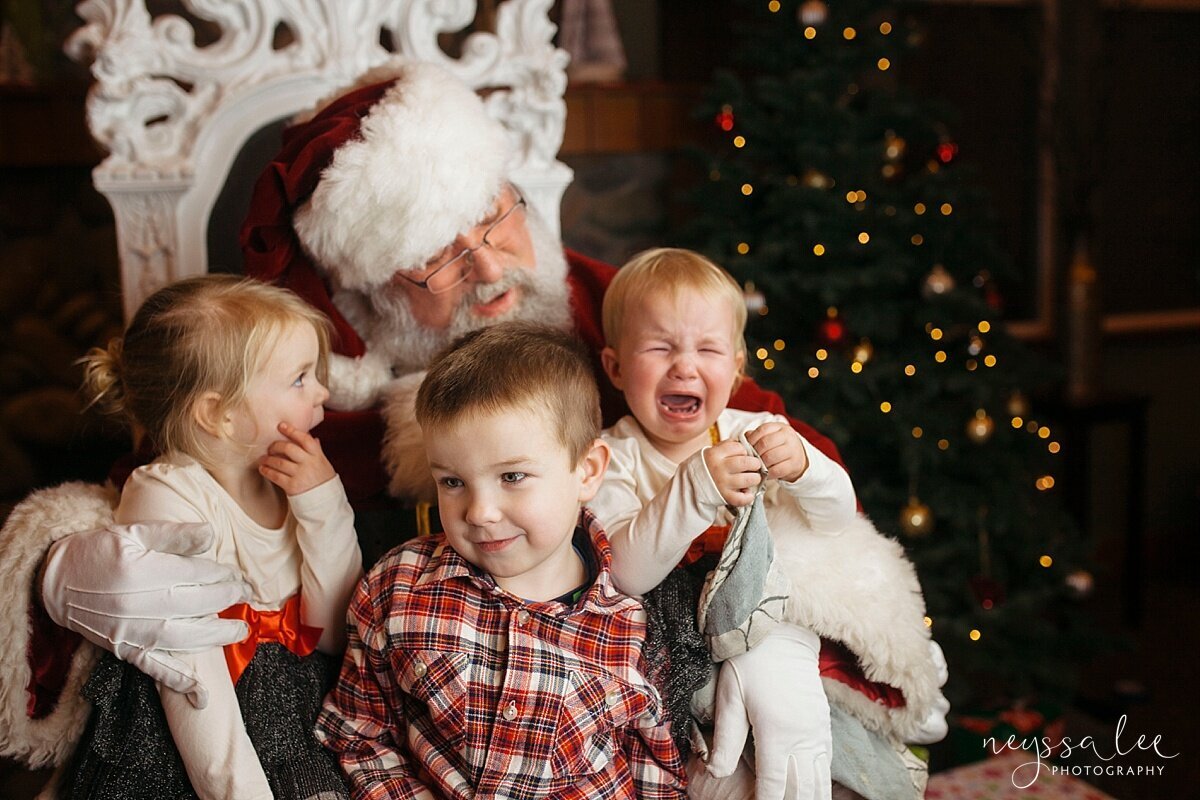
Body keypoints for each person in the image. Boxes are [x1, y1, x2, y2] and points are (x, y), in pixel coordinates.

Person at [0, 60, 924, 799]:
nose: (490, 269)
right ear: (369, 288)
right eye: (440, 258)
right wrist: (56, 564)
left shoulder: (617, 314)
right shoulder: (310, 384)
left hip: (625, 681)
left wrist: (775, 632)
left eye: (494, 219)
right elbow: (167, 471)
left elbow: (784, 455)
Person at [591, 249, 951, 799]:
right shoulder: (613, 458)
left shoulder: (755, 429)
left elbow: (836, 519)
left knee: (840, 760)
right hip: (687, 654)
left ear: (736, 369)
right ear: (615, 367)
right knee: (742, 777)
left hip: (777, 623)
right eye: (659, 347)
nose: (684, 367)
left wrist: (809, 469)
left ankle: (884, 701)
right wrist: (693, 488)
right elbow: (625, 574)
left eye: (707, 349)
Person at [315, 322, 686, 799]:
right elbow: (359, 733)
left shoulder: (630, 630)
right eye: (452, 482)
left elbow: (657, 776)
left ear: (587, 471)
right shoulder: (398, 585)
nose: (479, 512)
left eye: (512, 476)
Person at [58, 275, 361, 800]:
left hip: (297, 707)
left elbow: (333, 631)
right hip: (194, 725)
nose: (323, 393)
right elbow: (193, 684)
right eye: (300, 379)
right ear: (218, 414)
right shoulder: (168, 499)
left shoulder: (289, 480)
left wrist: (323, 503)